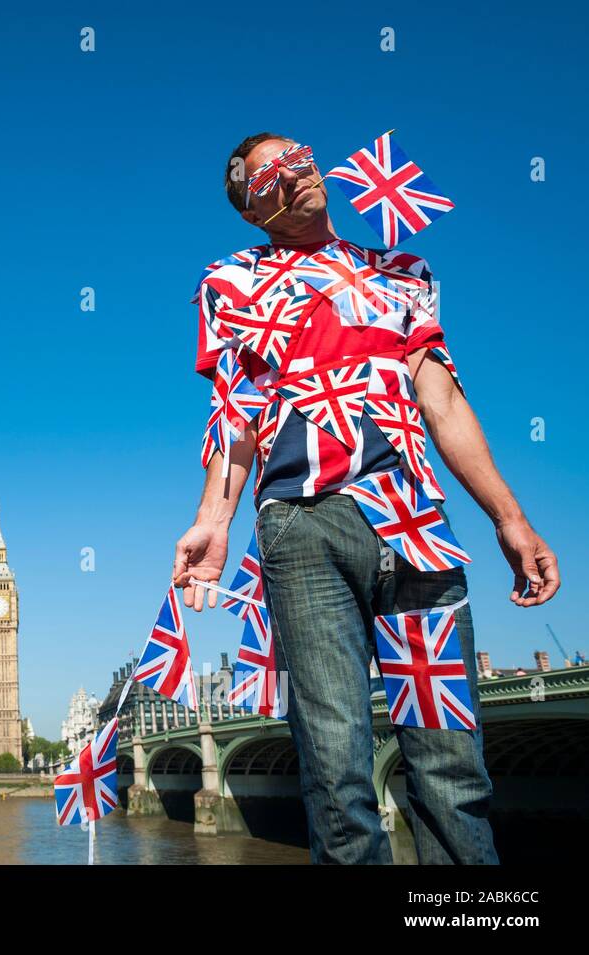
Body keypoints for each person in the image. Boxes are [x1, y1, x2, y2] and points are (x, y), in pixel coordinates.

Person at [172, 132, 560, 864]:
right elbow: (237, 414)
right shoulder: (230, 282)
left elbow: (442, 399)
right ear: (252, 210)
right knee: (337, 777)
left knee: (450, 765)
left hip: (416, 524)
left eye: (302, 156)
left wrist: (510, 518)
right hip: (302, 529)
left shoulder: (402, 272)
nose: (296, 173)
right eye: (271, 174)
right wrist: (212, 521)